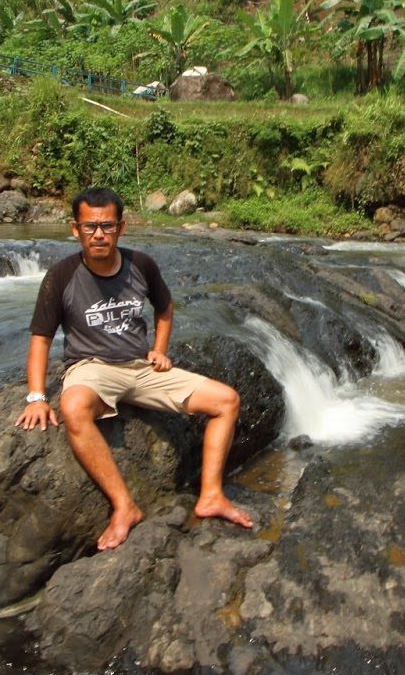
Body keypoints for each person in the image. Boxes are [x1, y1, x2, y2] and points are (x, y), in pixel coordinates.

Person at [16, 187, 253, 550]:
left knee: (227, 401)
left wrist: (159, 349)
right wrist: (35, 396)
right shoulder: (61, 276)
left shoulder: (141, 265)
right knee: (73, 407)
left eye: (107, 226)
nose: (99, 234)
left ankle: (210, 496)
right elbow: (41, 339)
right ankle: (124, 506)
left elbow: (165, 308)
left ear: (121, 227)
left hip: (141, 367)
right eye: (90, 226)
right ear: (75, 229)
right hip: (91, 367)